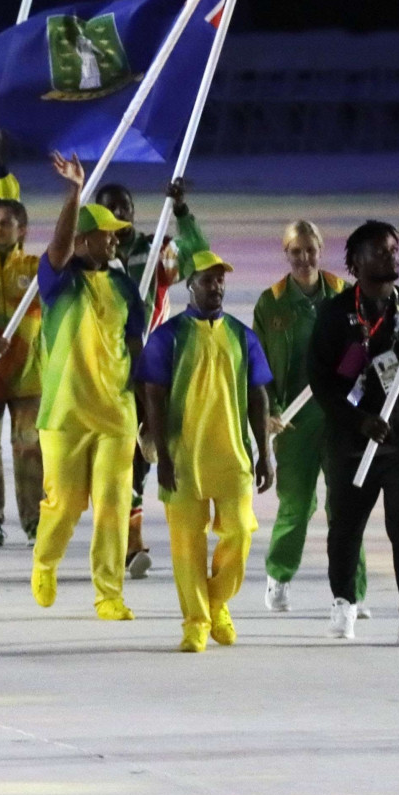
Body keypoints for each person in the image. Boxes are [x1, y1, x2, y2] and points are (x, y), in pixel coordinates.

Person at [308, 219, 399, 645]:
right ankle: (343, 602)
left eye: (393, 248)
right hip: (352, 442)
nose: (391, 255)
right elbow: (322, 382)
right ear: (355, 262)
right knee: (346, 526)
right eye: (379, 250)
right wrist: (360, 421)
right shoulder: (335, 315)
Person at [30, 154, 146, 620]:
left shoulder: (123, 287)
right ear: (83, 240)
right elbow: (58, 248)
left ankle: (109, 592)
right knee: (65, 505)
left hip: (116, 414)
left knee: (113, 506)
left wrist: (145, 411)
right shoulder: (56, 282)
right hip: (64, 415)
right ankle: (45, 561)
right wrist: (75, 194)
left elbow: (136, 345)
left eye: (118, 232)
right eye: (106, 234)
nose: (116, 239)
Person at [140, 251, 274, 652]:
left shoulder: (241, 334)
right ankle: (196, 621)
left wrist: (265, 451)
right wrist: (162, 456)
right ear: (190, 285)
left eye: (220, 281)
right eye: (207, 280)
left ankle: (216, 601)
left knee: (239, 532)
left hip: (233, 455)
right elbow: (153, 397)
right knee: (187, 543)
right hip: (182, 458)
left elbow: (258, 395)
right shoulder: (168, 337)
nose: (216, 287)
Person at [92, 176, 206, 580]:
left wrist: (179, 214)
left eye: (125, 208)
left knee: (154, 450)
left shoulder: (153, 249)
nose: (119, 216)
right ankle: (126, 538)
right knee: (121, 457)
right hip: (105, 371)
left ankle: (152, 534)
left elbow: (197, 260)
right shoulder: (89, 256)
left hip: (154, 367)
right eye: (110, 208)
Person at [253, 220, 363, 613]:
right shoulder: (272, 302)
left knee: (346, 506)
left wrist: (347, 378)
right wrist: (268, 412)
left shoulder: (344, 294)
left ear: (321, 249)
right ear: (286, 254)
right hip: (293, 422)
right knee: (296, 505)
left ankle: (351, 590)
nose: (304, 258)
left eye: (310, 250)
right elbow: (260, 366)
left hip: (338, 417)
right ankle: (278, 576)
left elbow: (362, 346)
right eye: (295, 251)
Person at [0, 194, 43, 546]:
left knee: (28, 446)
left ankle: (34, 520)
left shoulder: (34, 270)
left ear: (22, 230)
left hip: (28, 376)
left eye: (5, 222)